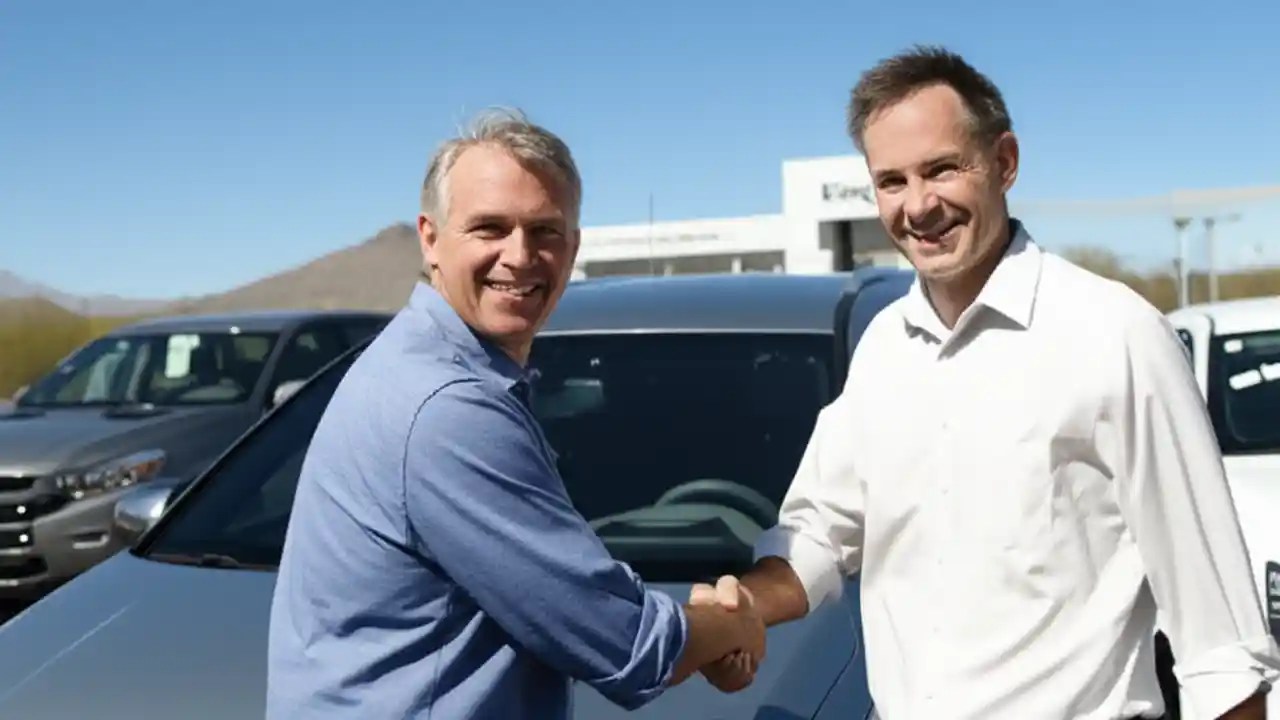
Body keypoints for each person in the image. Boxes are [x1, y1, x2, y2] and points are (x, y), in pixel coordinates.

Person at [693, 46, 1280, 719]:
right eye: (891, 181)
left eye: (941, 169)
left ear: (1004, 162)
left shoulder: (1116, 335)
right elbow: (822, 530)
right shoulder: (885, 346)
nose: (918, 206)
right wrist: (740, 612)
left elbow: (1221, 645)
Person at [265, 108, 765, 719]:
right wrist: (732, 625)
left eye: (545, 231)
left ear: (573, 247)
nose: (520, 255)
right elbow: (626, 643)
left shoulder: (421, 365)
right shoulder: (445, 407)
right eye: (489, 228)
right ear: (430, 239)